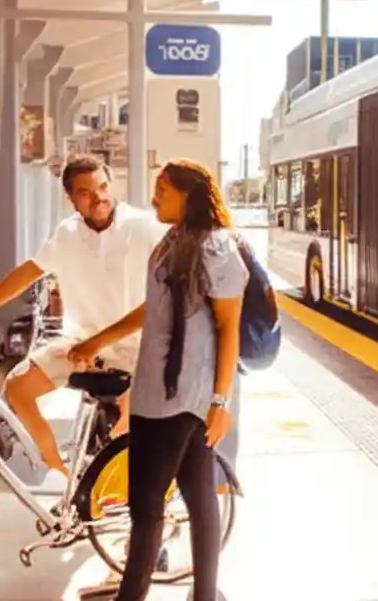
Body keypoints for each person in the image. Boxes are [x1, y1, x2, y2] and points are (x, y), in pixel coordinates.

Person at [69, 159, 246, 601]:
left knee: (146, 507)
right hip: (161, 392)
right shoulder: (173, 241)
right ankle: (205, 595)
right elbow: (155, 307)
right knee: (197, 495)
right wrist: (99, 339)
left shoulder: (215, 248)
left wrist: (222, 402)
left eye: (162, 191)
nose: (153, 199)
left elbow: (230, 326)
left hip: (181, 396)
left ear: (189, 196)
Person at [0, 154, 166, 477]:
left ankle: (117, 491)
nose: (98, 197)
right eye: (86, 192)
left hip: (136, 348)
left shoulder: (144, 226)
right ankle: (60, 469)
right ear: (71, 199)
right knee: (17, 387)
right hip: (81, 346)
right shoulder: (67, 234)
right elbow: (27, 273)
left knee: (126, 433)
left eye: (103, 186)